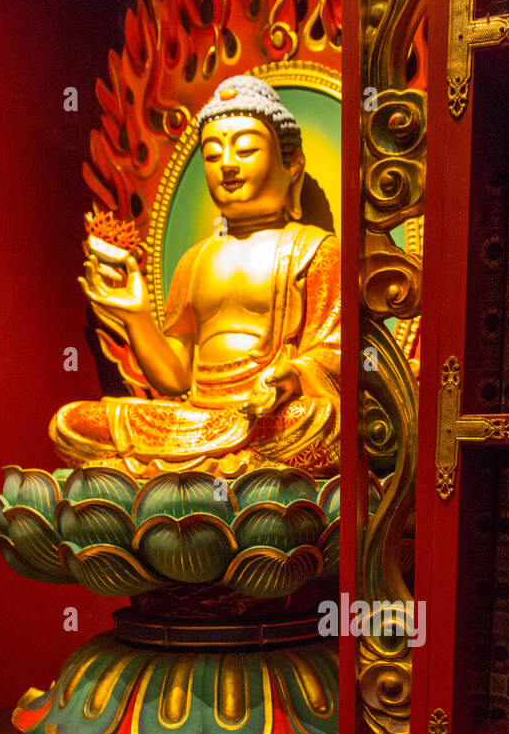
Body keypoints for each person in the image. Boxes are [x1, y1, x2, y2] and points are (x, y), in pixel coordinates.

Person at [51, 75, 340, 478]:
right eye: (212, 152)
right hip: (196, 421)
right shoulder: (196, 260)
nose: (227, 163)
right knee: (72, 423)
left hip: (269, 421)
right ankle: (219, 464)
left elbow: (333, 351)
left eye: (246, 149)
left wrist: (290, 377)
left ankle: (188, 471)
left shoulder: (314, 250)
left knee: (316, 421)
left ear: (291, 164)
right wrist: (135, 318)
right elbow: (174, 378)